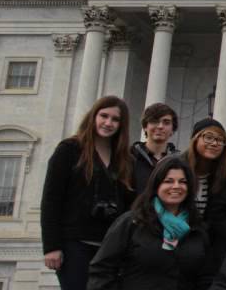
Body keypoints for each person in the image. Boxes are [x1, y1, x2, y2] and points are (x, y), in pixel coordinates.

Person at [42, 95, 135, 290]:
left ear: (122, 125)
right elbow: (51, 199)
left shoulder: (125, 159)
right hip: (74, 244)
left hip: (109, 246)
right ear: (93, 116)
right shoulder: (69, 150)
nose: (108, 123)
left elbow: (128, 204)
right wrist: (51, 246)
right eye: (104, 116)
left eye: (115, 119)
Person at [87, 155, 213, 290]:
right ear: (156, 185)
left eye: (183, 182)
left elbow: (205, 277)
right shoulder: (132, 223)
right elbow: (102, 270)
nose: (176, 186)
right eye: (168, 181)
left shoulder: (197, 228)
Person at [181, 118, 226, 216]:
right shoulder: (176, 168)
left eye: (220, 140)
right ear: (195, 139)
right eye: (208, 137)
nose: (214, 143)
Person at [131, 103, 179, 192]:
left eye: (166, 122)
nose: (160, 126)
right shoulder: (129, 157)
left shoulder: (179, 161)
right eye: (154, 121)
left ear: (172, 130)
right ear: (145, 127)